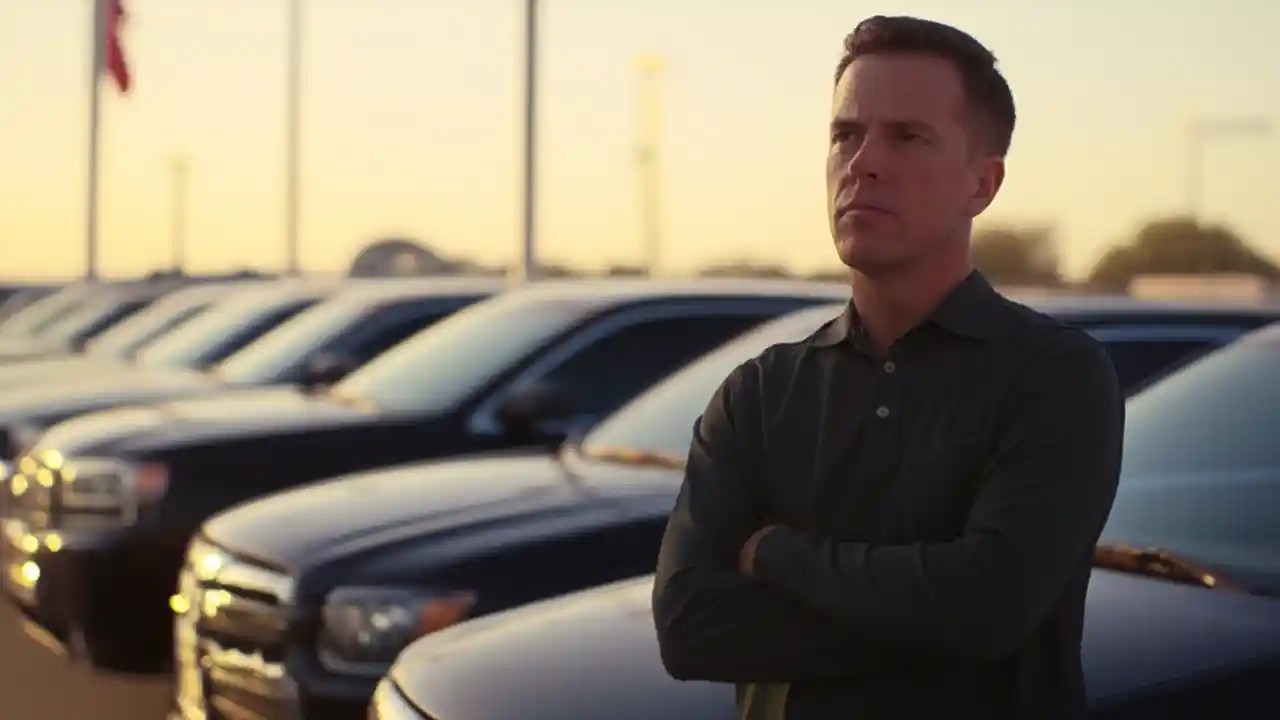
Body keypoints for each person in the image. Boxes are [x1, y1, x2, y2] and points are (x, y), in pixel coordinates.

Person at [652, 15, 1125, 720]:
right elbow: (689, 628)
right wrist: (942, 622)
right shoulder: (761, 391)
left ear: (982, 185)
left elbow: (990, 607)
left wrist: (779, 555)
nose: (862, 161)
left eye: (907, 137)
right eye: (845, 134)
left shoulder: (1055, 377)